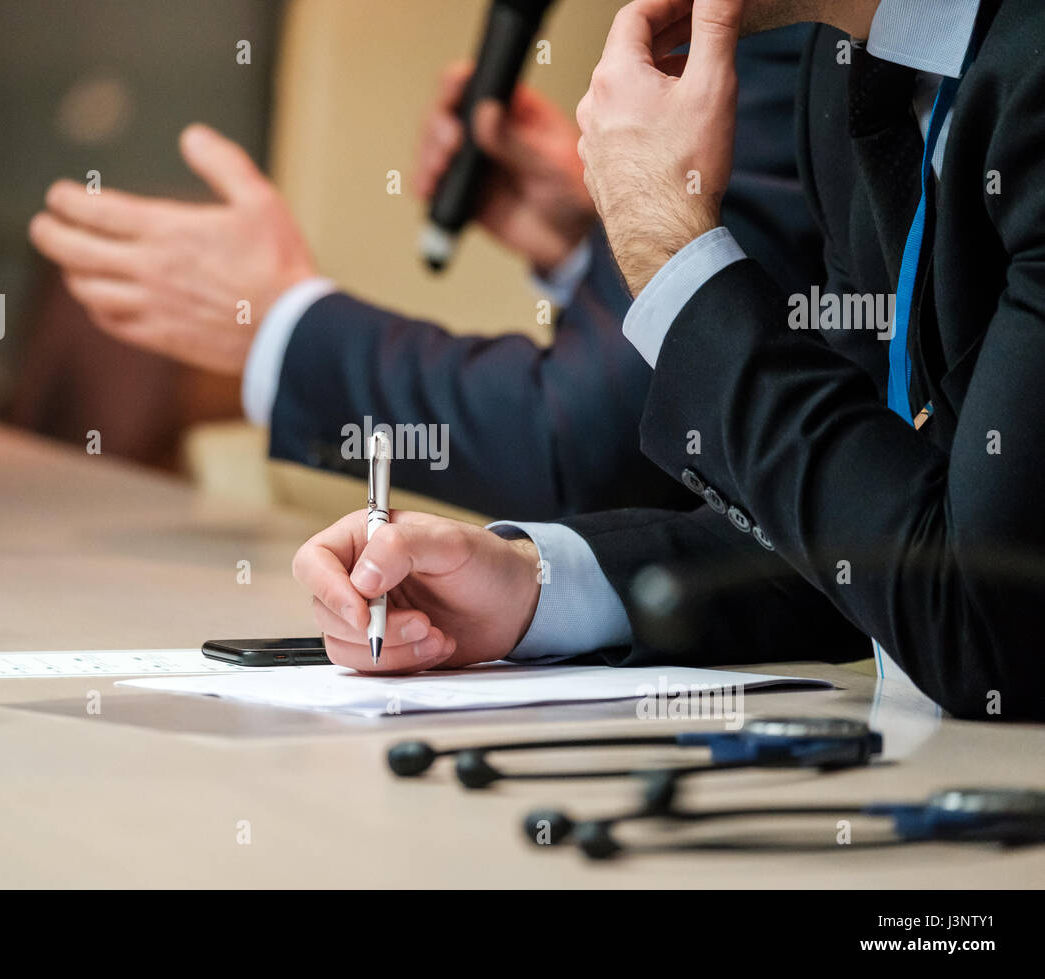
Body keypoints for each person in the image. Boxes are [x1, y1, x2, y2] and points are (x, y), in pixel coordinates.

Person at [291, 0, 1045, 722]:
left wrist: (673, 252)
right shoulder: (848, 65)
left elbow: (985, 624)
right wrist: (530, 583)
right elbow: (862, 539)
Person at [28, 28, 820, 519]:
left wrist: (282, 324)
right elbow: (752, 335)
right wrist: (595, 234)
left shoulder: (769, 25)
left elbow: (586, 445)